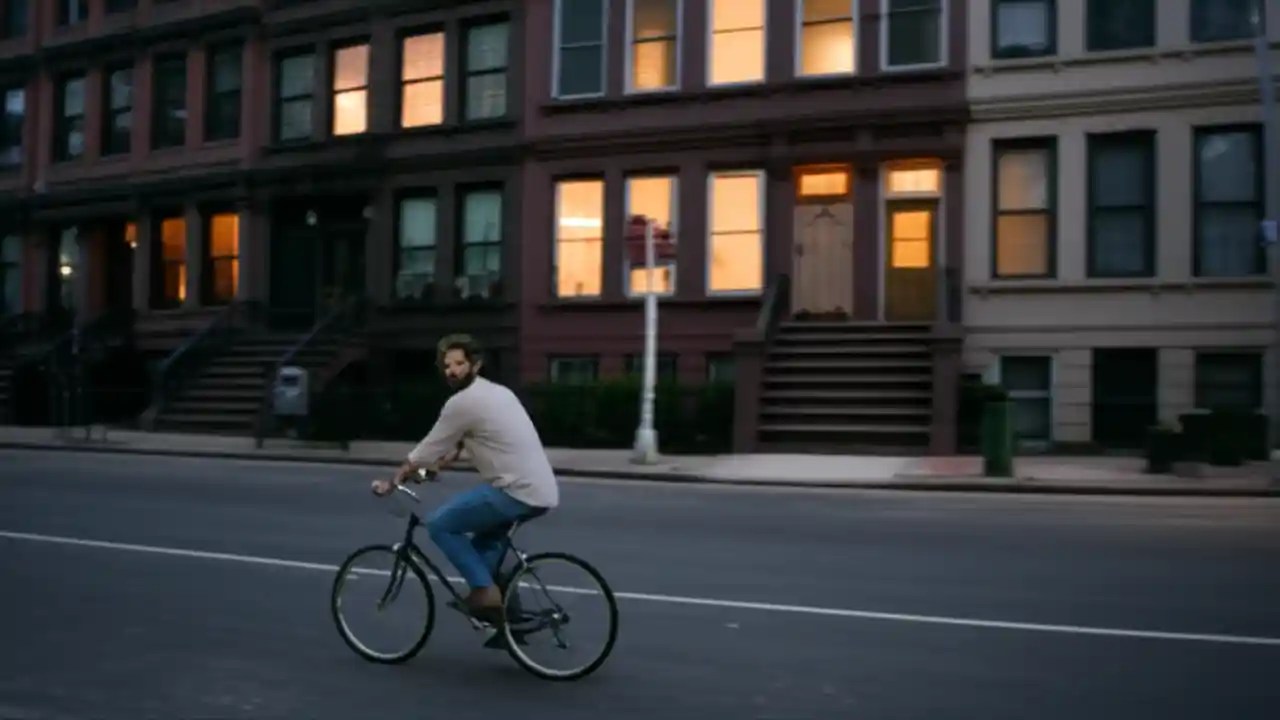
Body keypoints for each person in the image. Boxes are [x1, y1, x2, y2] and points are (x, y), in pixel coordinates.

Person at [371, 334, 559, 626]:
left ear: (476, 365)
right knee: (483, 550)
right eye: (447, 366)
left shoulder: (462, 403)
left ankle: (485, 593)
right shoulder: (497, 393)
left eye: (459, 364)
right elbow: (451, 452)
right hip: (540, 490)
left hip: (514, 491)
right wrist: (425, 474)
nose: (452, 371)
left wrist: (393, 481)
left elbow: (429, 447)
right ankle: (508, 620)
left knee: (439, 524)